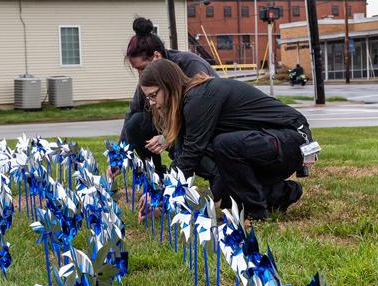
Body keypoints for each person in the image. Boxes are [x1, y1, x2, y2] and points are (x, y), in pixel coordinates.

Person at [139, 59, 315, 220]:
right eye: (148, 98)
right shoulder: (190, 101)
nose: (152, 103)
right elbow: (181, 157)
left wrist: (161, 196)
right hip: (269, 142)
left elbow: (190, 157)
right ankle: (280, 193)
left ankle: (256, 213)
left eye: (153, 95)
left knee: (223, 145)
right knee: (218, 156)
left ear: (169, 86)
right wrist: (163, 202)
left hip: (294, 138)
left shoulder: (198, 99)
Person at [120, 17, 217, 168]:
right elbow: (133, 113)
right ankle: (155, 178)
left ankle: (182, 178)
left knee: (185, 150)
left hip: (204, 127)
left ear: (157, 56)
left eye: (142, 69)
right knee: (136, 123)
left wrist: (167, 137)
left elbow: (199, 114)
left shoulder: (191, 66)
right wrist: (119, 155)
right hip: (174, 127)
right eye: (137, 70)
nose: (140, 76)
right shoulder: (149, 78)